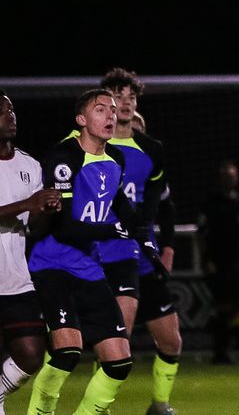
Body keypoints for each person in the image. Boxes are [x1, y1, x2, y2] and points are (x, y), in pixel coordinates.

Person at [26, 89, 142, 415]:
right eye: (100, 109)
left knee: (119, 362)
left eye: (113, 110)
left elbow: (118, 200)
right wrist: (112, 230)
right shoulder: (63, 157)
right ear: (81, 120)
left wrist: (141, 231)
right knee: (67, 353)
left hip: (89, 266)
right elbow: (63, 226)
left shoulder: (116, 158)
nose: (110, 116)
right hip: (52, 262)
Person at [99, 68, 182, 415]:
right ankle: (98, 406)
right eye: (119, 94)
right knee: (118, 341)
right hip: (111, 253)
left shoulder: (150, 149)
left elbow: (164, 207)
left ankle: (160, 405)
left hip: (144, 255)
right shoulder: (92, 146)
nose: (127, 100)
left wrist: (166, 249)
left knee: (171, 341)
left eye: (132, 95)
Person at [0, 90, 61, 413]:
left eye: (12, 110)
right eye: (2, 111)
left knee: (31, 353)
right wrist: (28, 203)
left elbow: (32, 228)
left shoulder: (29, 165)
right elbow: (21, 207)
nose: (11, 116)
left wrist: (45, 211)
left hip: (15, 278)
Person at [197, 160, 239, 364]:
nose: (229, 180)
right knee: (223, 305)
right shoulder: (211, 203)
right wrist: (206, 259)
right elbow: (202, 235)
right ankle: (220, 350)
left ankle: (228, 346)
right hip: (220, 260)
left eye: (232, 176)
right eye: (226, 177)